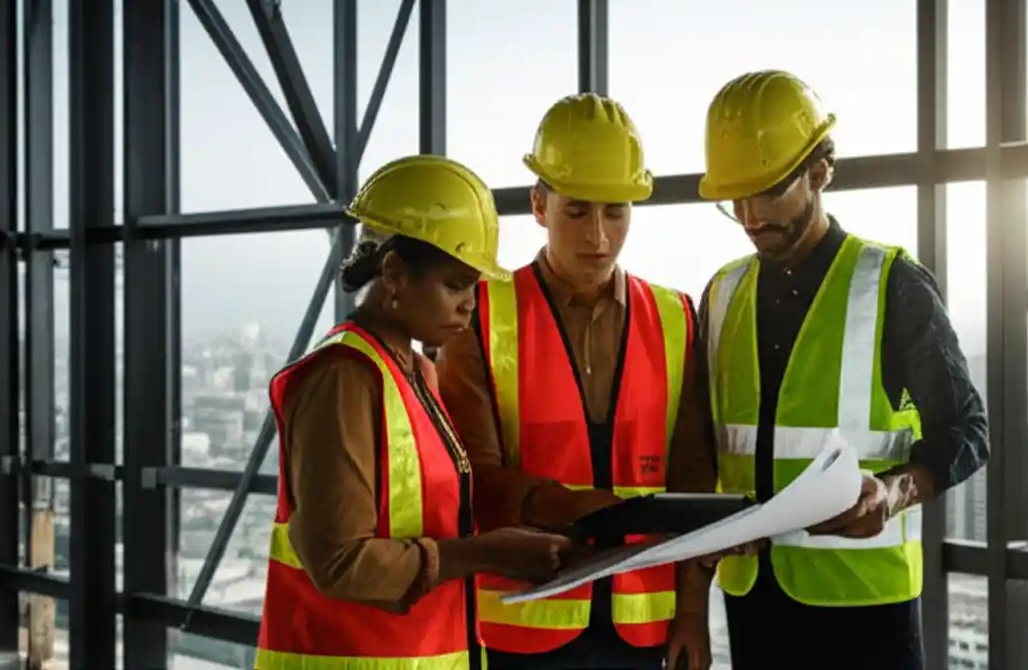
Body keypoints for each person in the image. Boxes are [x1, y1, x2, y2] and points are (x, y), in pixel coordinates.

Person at [664, 70, 990, 668]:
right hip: (754, 601)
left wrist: (893, 493)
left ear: (821, 170)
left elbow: (968, 429)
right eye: (736, 199)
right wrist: (691, 609)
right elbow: (703, 457)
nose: (751, 215)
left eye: (769, 190)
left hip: (865, 607)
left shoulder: (891, 285)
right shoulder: (722, 293)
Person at [254, 155, 576, 670]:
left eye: (473, 286)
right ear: (394, 274)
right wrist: (487, 553)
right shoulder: (343, 378)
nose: (470, 305)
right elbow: (340, 562)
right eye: (454, 285)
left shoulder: (417, 374)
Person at [436, 93, 708, 670]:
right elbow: (471, 477)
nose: (599, 237)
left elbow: (693, 478)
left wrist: (691, 614)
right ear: (539, 204)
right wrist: (583, 508)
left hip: (645, 629)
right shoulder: (479, 314)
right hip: (519, 625)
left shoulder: (677, 317)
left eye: (616, 213)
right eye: (577, 212)